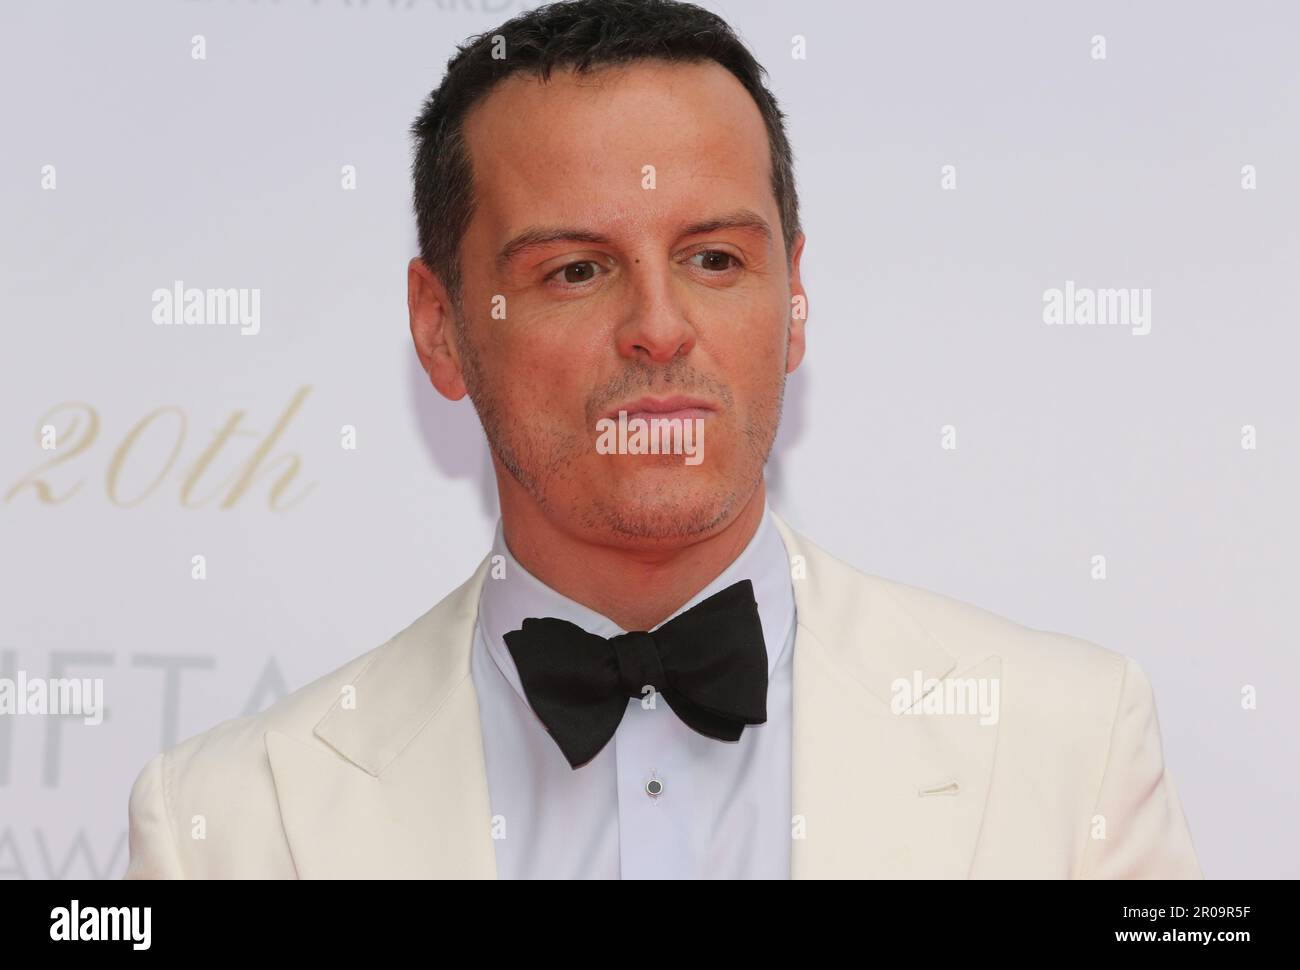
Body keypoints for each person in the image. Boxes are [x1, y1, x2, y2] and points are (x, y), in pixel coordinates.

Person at [124, 0, 1200, 879]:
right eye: (575, 270)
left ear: (794, 301)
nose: (657, 327)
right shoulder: (227, 827)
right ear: (441, 328)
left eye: (716, 259)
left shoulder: (1069, 748)